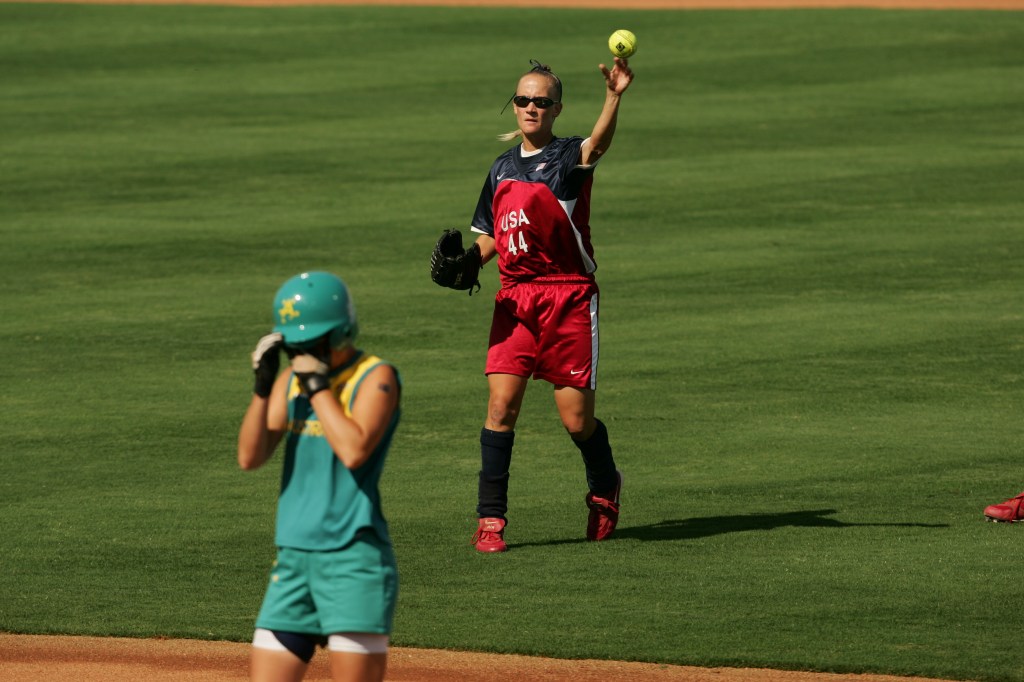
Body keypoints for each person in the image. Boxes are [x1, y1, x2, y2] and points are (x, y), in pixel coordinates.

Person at [431, 57, 635, 552]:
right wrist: (468, 263)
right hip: (515, 300)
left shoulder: (568, 157)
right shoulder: (501, 168)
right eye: (522, 100)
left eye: (541, 101)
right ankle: (490, 520)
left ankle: (605, 487)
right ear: (514, 106)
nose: (530, 108)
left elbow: (600, 143)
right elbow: (493, 235)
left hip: (566, 296)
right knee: (501, 408)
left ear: (556, 108)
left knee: (576, 421)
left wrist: (613, 96)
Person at [237, 271, 401, 682]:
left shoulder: (375, 376)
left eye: (312, 340)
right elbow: (250, 457)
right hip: (293, 560)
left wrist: (316, 386)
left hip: (352, 561)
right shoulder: (290, 380)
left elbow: (354, 449)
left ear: (342, 332)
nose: (303, 350)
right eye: (295, 342)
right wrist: (261, 389)